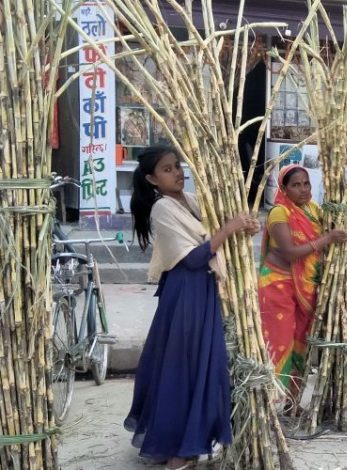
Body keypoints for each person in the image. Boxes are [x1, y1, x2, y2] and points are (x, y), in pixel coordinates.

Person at [125, 147, 260, 470]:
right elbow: (194, 258)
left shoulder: (192, 201)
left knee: (202, 366)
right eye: (168, 169)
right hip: (185, 293)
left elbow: (215, 239)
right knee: (184, 369)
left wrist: (243, 228)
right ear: (151, 179)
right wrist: (229, 229)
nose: (177, 173)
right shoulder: (162, 209)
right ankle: (178, 449)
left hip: (203, 290)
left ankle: (185, 443)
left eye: (178, 166)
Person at [258, 165, 347, 407]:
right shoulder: (279, 212)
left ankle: (292, 402)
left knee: (300, 341)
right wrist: (326, 240)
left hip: (305, 287)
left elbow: (335, 229)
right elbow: (289, 252)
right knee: (280, 342)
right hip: (277, 285)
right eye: (295, 185)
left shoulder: (312, 209)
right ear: (284, 189)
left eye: (306, 183)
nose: (303, 189)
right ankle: (271, 403)